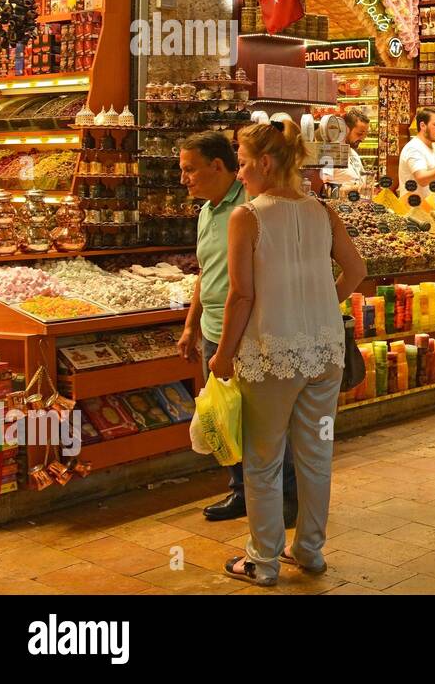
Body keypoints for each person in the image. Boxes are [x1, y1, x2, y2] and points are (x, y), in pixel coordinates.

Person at [212, 121, 366, 586]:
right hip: (324, 355)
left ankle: (262, 559)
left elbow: (241, 296)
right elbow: (356, 270)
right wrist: (317, 303)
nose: (238, 175)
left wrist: (222, 355)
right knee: (316, 455)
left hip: (270, 356)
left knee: (263, 459)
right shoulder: (321, 211)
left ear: (264, 162)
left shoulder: (248, 217)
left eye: (240, 164)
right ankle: (310, 551)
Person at [177, 132, 298, 526]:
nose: (184, 179)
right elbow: (206, 274)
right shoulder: (206, 213)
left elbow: (252, 285)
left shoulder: (251, 206)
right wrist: (190, 325)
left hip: (250, 330)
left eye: (190, 169)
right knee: (225, 416)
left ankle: (286, 498)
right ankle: (241, 491)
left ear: (218, 166)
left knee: (266, 421)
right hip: (214, 329)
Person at [321, 109, 369, 191]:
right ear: (345, 130)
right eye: (360, 134)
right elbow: (325, 190)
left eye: (365, 134)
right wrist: (352, 189)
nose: (363, 138)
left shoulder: (353, 153)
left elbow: (363, 180)